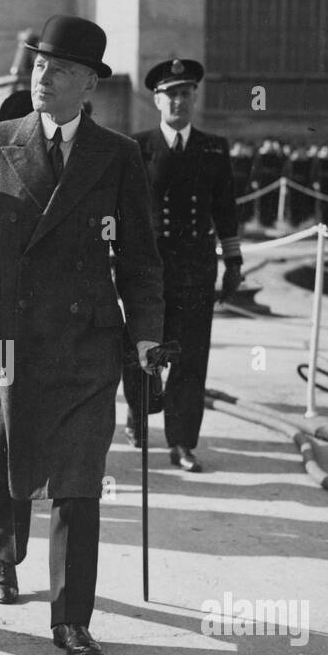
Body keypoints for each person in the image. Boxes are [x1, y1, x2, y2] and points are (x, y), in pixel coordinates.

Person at [0, 14, 164, 655]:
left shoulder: (118, 156)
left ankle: (71, 616)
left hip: (85, 342)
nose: (45, 77)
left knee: (77, 483)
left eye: (62, 69)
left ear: (90, 85)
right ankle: (4, 556)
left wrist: (146, 338)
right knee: (4, 459)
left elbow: (142, 263)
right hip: (8, 338)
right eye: (39, 64)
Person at [121, 58, 241, 472]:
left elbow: (226, 209)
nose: (179, 101)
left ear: (194, 98)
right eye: (171, 94)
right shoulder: (137, 147)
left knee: (190, 358)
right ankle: (138, 415)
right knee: (145, 350)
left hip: (195, 270)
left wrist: (234, 261)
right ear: (157, 100)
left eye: (186, 93)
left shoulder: (213, 148)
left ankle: (182, 442)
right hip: (149, 271)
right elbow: (126, 212)